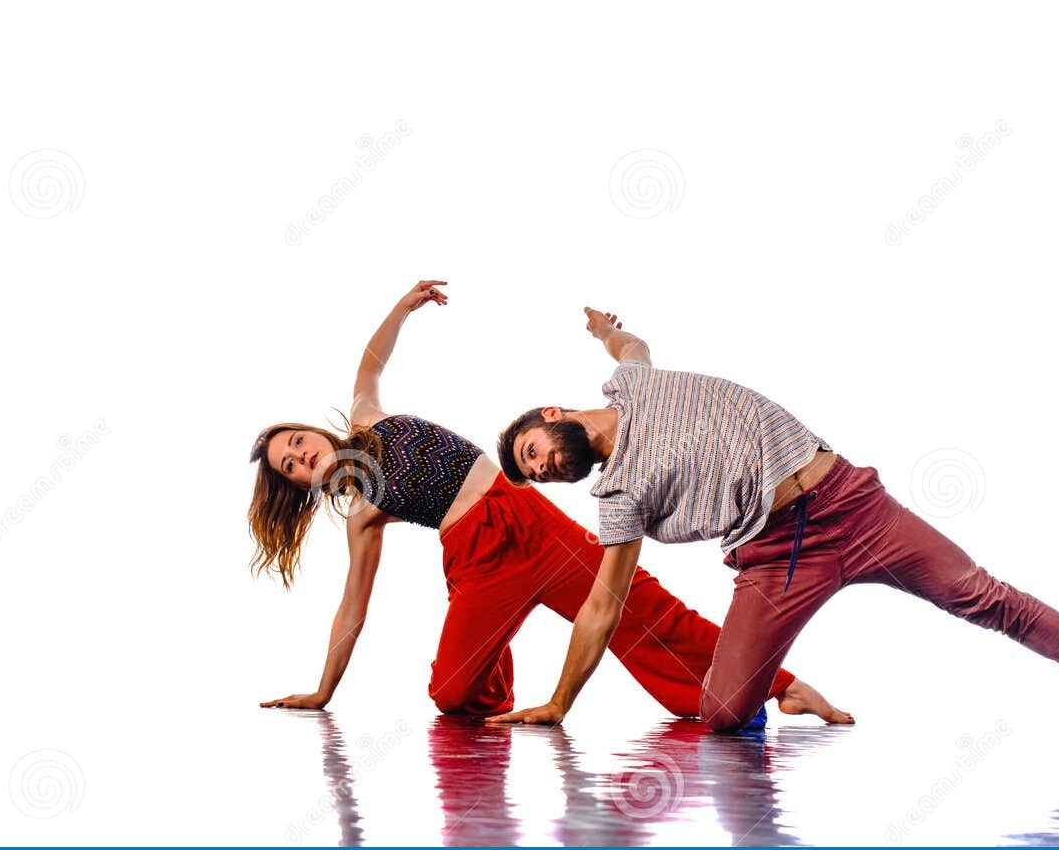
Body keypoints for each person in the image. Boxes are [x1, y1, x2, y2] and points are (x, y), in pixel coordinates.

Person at [492, 306, 1059, 744]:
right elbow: (601, 607)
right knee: (720, 714)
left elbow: (630, 349)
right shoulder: (615, 496)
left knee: (986, 599)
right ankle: (776, 692)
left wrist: (610, 330)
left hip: (852, 507)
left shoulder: (632, 384)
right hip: (775, 557)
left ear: (553, 415)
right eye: (538, 474)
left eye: (536, 454)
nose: (547, 469)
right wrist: (560, 702)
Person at [248, 281, 851, 725]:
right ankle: (498, 657)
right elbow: (353, 608)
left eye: (297, 442)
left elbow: (372, 360)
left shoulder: (367, 416)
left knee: (643, 613)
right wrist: (322, 691)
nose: (301, 456)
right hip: (476, 562)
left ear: (317, 434)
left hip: (527, 520)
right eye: (289, 465)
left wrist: (403, 307)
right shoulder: (362, 517)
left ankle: (781, 685)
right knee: (451, 694)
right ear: (297, 485)